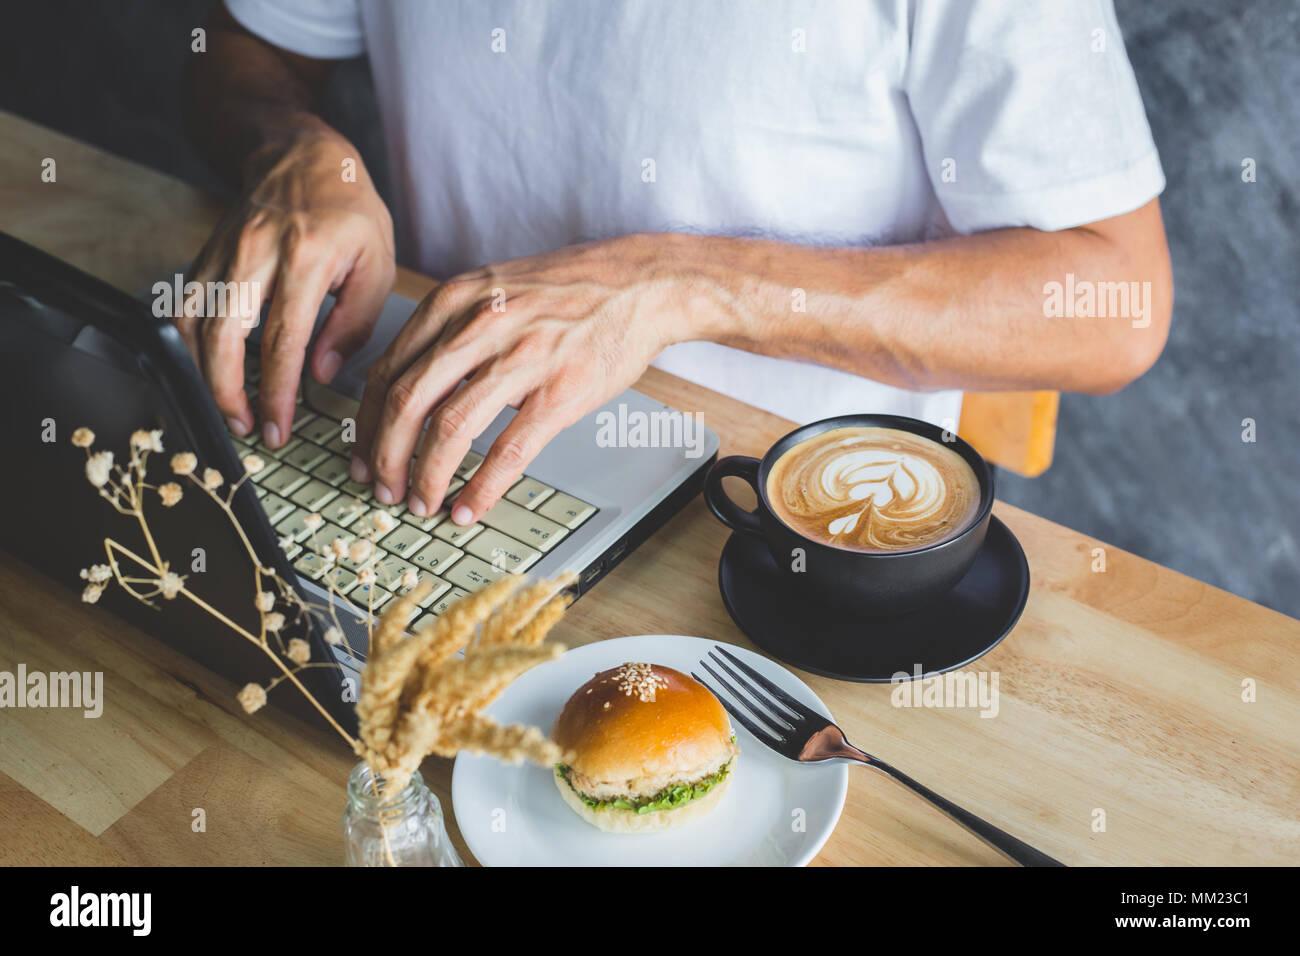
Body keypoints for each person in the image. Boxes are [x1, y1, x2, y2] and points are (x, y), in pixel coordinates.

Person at [181, 0, 1172, 529]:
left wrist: (672, 284)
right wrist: (298, 149)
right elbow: (243, 51)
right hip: (419, 455)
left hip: (766, 535)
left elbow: (1114, 296)